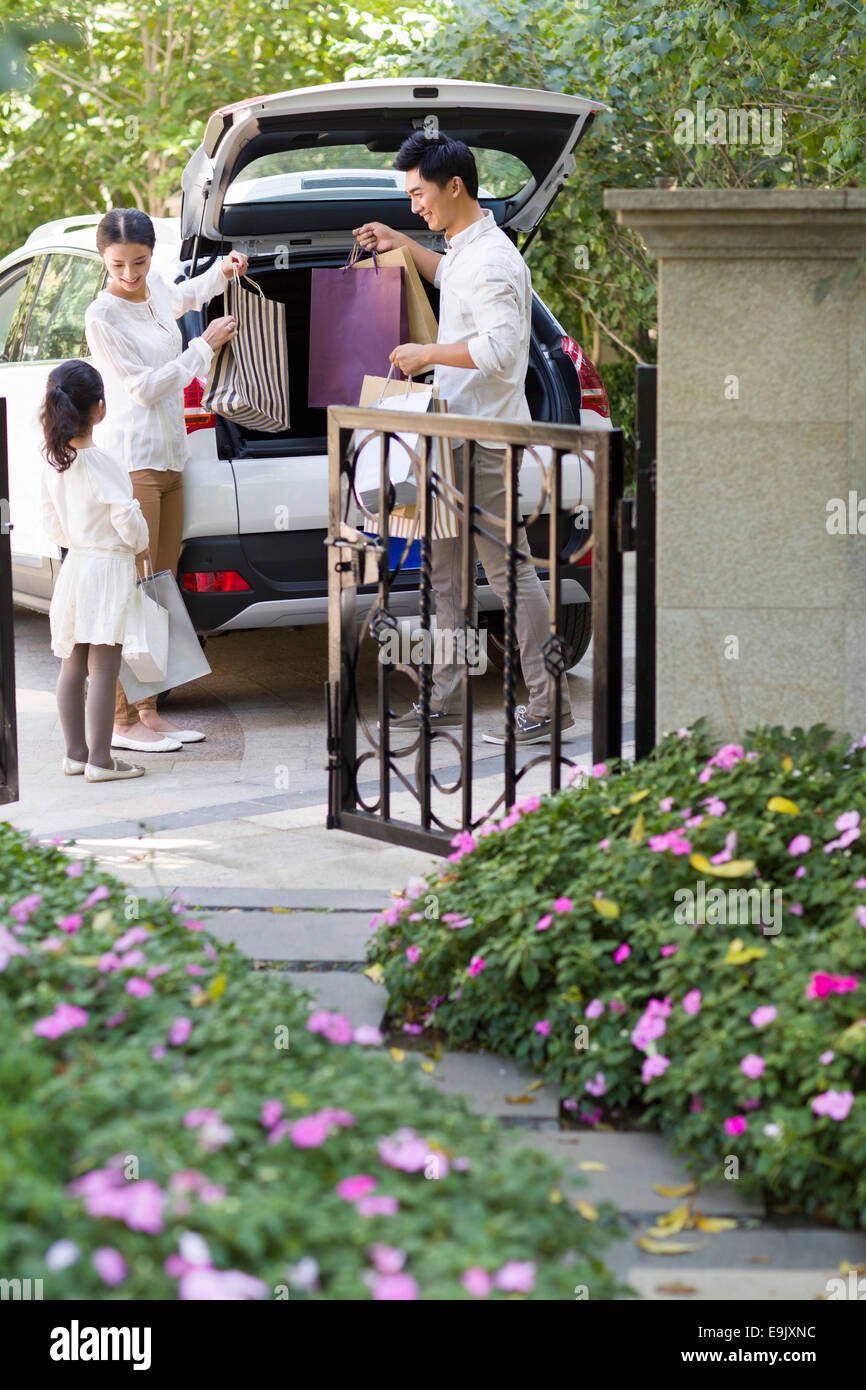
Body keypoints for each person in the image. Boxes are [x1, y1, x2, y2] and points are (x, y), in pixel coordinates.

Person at [354, 133, 576, 745]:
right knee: (445, 577)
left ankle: (550, 703)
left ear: (454, 187)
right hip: (448, 433)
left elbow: (504, 355)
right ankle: (444, 698)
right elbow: (448, 273)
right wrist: (404, 245)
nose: (414, 206)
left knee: (510, 575)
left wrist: (428, 351)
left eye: (419, 194)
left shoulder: (496, 260)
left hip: (485, 438)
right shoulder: (464, 249)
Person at [84, 209, 246, 753]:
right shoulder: (102, 316)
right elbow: (142, 389)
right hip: (136, 466)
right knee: (135, 590)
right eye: (118, 264)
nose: (130, 273)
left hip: (173, 459)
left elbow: (185, 296)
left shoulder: (154, 288)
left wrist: (224, 270)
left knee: (160, 590)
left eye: (140, 261)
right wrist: (205, 348)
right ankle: (121, 719)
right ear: (102, 260)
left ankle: (150, 711)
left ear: (152, 256)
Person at [40, 361, 151, 782]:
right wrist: (139, 540)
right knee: (105, 668)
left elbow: (50, 521)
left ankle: (75, 754)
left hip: (76, 565)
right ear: (100, 409)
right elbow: (127, 520)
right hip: (108, 568)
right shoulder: (103, 462)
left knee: (73, 665)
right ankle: (101, 761)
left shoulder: (53, 460)